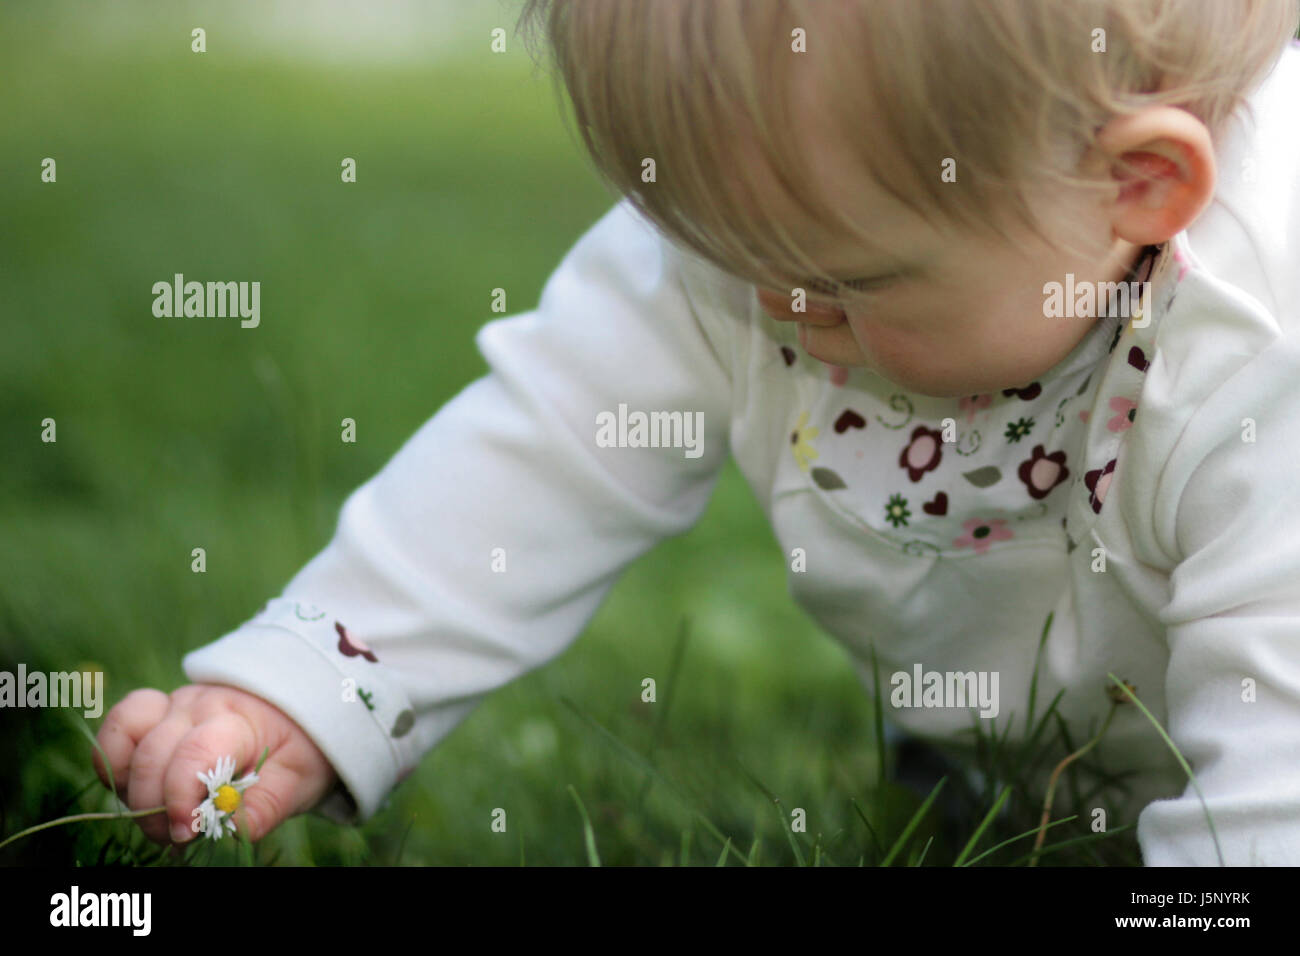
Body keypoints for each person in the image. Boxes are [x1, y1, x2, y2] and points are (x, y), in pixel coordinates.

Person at [95, 0, 1300, 865]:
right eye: (715, 254)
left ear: (1136, 188)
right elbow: (544, 448)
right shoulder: (767, 236)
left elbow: (1278, 738)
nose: (770, 311)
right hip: (1011, 724)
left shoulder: (1260, 338)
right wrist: (305, 686)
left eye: (842, 281)